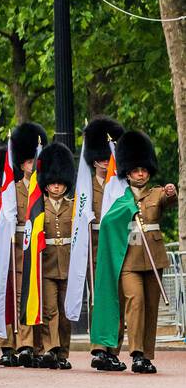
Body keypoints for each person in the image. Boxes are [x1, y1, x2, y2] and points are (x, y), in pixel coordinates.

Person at [116, 130, 177, 375]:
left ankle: (147, 356)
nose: (140, 173)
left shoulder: (157, 193)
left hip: (154, 258)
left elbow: (168, 200)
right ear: (128, 173)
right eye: (136, 170)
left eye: (143, 169)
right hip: (129, 260)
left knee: (151, 307)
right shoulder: (121, 198)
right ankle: (136, 353)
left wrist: (171, 192)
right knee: (136, 302)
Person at [82, 117, 126, 371]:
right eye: (99, 156)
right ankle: (99, 347)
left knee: (116, 297)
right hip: (93, 245)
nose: (103, 160)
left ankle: (113, 349)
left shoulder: (119, 182)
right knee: (97, 297)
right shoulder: (85, 185)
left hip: (115, 243)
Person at [4, 122, 47, 367]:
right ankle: (25, 344)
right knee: (22, 295)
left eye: (35, 161)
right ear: (21, 165)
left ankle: (39, 345)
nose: (33, 165)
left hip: (39, 248)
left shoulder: (45, 189)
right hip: (20, 248)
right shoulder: (14, 189)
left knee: (38, 295)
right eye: (29, 162)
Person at [36, 142, 75, 369]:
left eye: (60, 182)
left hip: (68, 263)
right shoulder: (39, 207)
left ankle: (63, 353)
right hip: (47, 263)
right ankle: (50, 348)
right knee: (50, 309)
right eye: (52, 182)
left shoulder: (73, 207)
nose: (57, 186)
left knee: (65, 311)